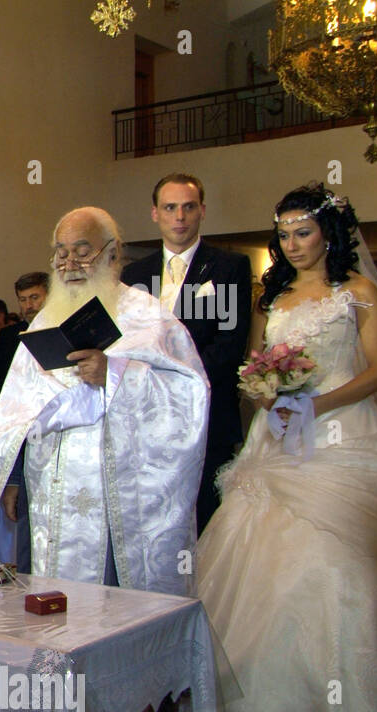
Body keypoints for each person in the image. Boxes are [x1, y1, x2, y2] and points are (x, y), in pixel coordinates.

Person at [196, 186, 377, 712]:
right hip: (276, 436)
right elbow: (254, 368)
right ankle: (252, 687)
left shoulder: (359, 292)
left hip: (338, 431)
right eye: (283, 234)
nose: (293, 244)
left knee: (334, 558)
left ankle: (330, 696)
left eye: (303, 232)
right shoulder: (270, 300)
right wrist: (266, 399)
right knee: (252, 552)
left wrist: (315, 405)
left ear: (329, 233)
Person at [0, 207, 208, 593]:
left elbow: (189, 398)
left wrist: (116, 376)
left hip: (114, 500)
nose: (69, 262)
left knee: (107, 603)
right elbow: (17, 411)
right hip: (48, 496)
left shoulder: (150, 318)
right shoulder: (42, 322)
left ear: (111, 253)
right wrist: (15, 479)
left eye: (81, 250)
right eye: (61, 252)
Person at [122, 173, 252, 532]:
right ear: (155, 214)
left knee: (205, 519)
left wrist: (176, 384)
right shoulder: (135, 273)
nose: (179, 216)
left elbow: (229, 345)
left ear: (202, 211)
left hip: (207, 413)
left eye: (188, 207)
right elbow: (131, 343)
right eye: (170, 207)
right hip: (148, 417)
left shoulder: (229, 267)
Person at [0, 273, 50, 565]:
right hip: (24, 445)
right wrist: (12, 479)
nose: (29, 306)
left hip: (57, 444)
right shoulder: (10, 339)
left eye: (35, 298)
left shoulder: (64, 333)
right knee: (27, 535)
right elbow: (6, 404)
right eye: (23, 300)